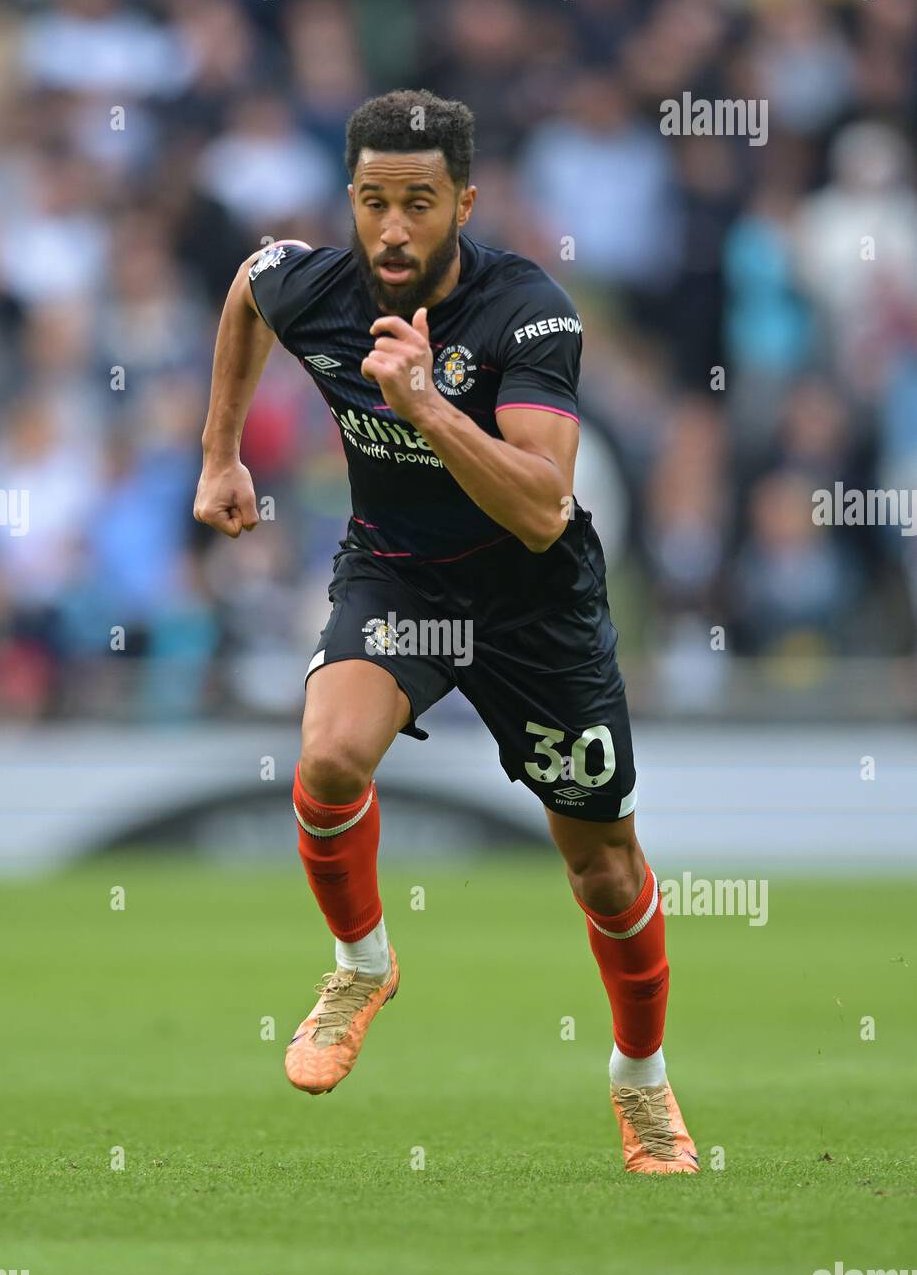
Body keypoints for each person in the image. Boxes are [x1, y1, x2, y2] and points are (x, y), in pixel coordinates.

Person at [196, 89, 698, 1173]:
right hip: (401, 582)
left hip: (534, 605)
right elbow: (246, 289)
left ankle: (642, 1082)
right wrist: (221, 455)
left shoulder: (530, 313)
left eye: (418, 203)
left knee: (606, 870)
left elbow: (543, 506)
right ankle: (361, 962)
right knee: (328, 759)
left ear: (463, 201)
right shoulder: (314, 285)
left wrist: (426, 406)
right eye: (372, 201)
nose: (391, 229)